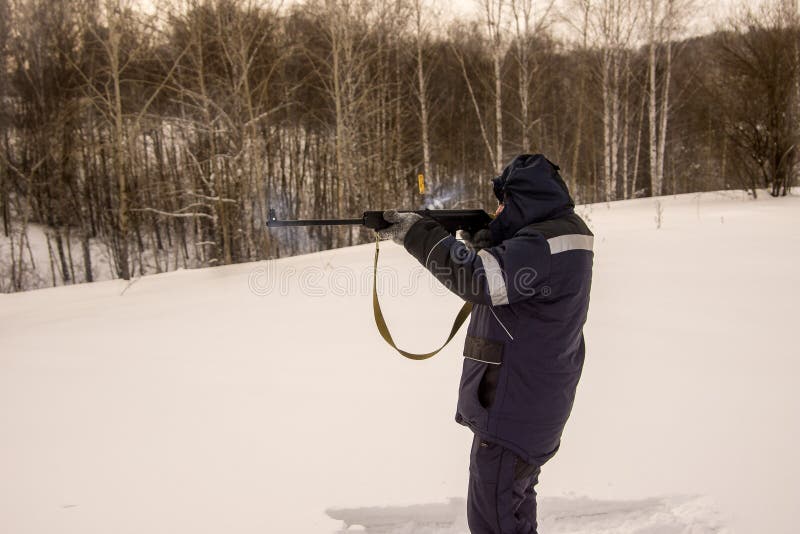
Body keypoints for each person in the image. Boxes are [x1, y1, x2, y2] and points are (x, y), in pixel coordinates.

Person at [377, 154, 594, 534]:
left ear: (526, 199)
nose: (498, 211)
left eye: (505, 202)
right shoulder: (562, 234)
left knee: (493, 521)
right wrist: (490, 243)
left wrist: (417, 234)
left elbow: (478, 279)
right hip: (531, 401)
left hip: (515, 407)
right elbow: (508, 277)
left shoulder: (542, 243)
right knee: (513, 509)